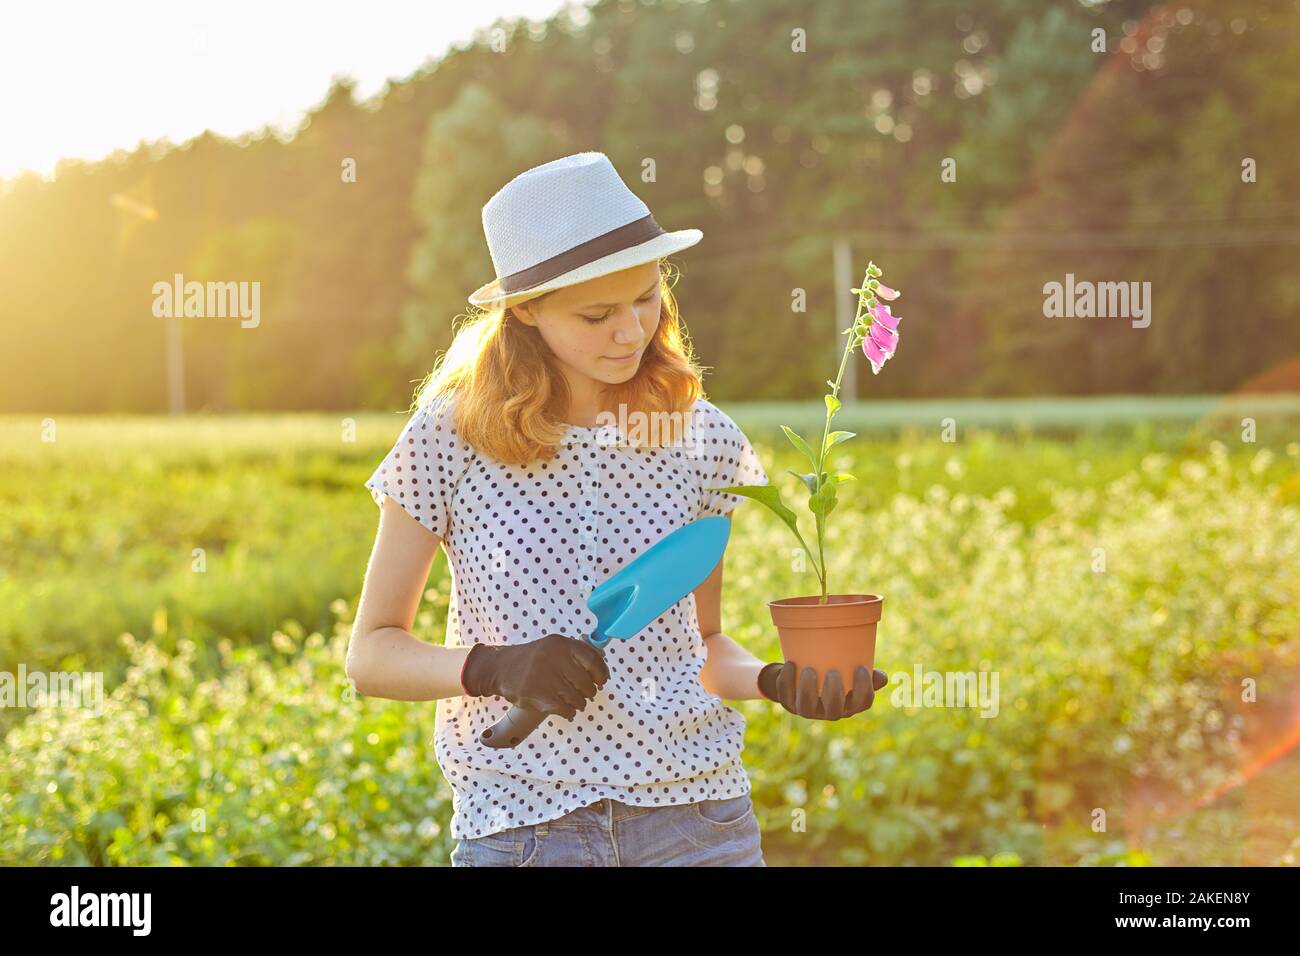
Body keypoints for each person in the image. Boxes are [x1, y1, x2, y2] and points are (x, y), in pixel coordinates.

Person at [346, 152, 887, 867]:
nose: (631, 332)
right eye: (597, 314)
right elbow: (372, 656)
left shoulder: (701, 436)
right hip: (523, 829)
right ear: (527, 310)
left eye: (645, 298)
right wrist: (493, 668)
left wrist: (777, 681)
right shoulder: (450, 438)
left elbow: (706, 649)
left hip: (698, 825)